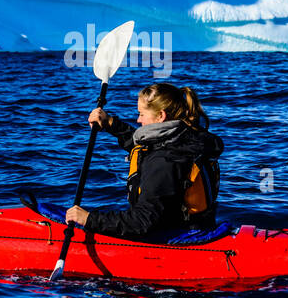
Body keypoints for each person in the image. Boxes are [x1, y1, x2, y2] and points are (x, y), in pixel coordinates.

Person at [65, 83, 223, 242]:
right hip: (198, 227)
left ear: (161, 116)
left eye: (141, 114)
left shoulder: (164, 161)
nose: (138, 119)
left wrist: (89, 219)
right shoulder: (185, 139)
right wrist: (110, 123)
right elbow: (147, 147)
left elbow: (140, 222)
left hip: (171, 238)